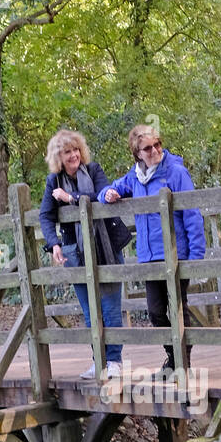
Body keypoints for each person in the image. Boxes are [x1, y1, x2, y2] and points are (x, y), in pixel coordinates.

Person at [99, 125, 205, 370]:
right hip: (149, 257)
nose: (155, 150)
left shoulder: (176, 172)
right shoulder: (135, 176)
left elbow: (192, 214)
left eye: (157, 144)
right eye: (148, 148)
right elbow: (107, 190)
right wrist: (108, 194)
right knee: (155, 312)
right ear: (137, 153)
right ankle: (173, 354)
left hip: (176, 253)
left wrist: (196, 256)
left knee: (178, 307)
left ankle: (182, 362)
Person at [38, 129, 131, 379]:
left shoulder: (94, 171)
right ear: (59, 156)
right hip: (75, 252)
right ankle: (99, 361)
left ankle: (114, 361)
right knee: (90, 311)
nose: (74, 155)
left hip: (105, 246)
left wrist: (71, 198)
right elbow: (45, 216)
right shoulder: (53, 182)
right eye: (68, 151)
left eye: (76, 149)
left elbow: (101, 195)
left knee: (110, 307)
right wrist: (54, 244)